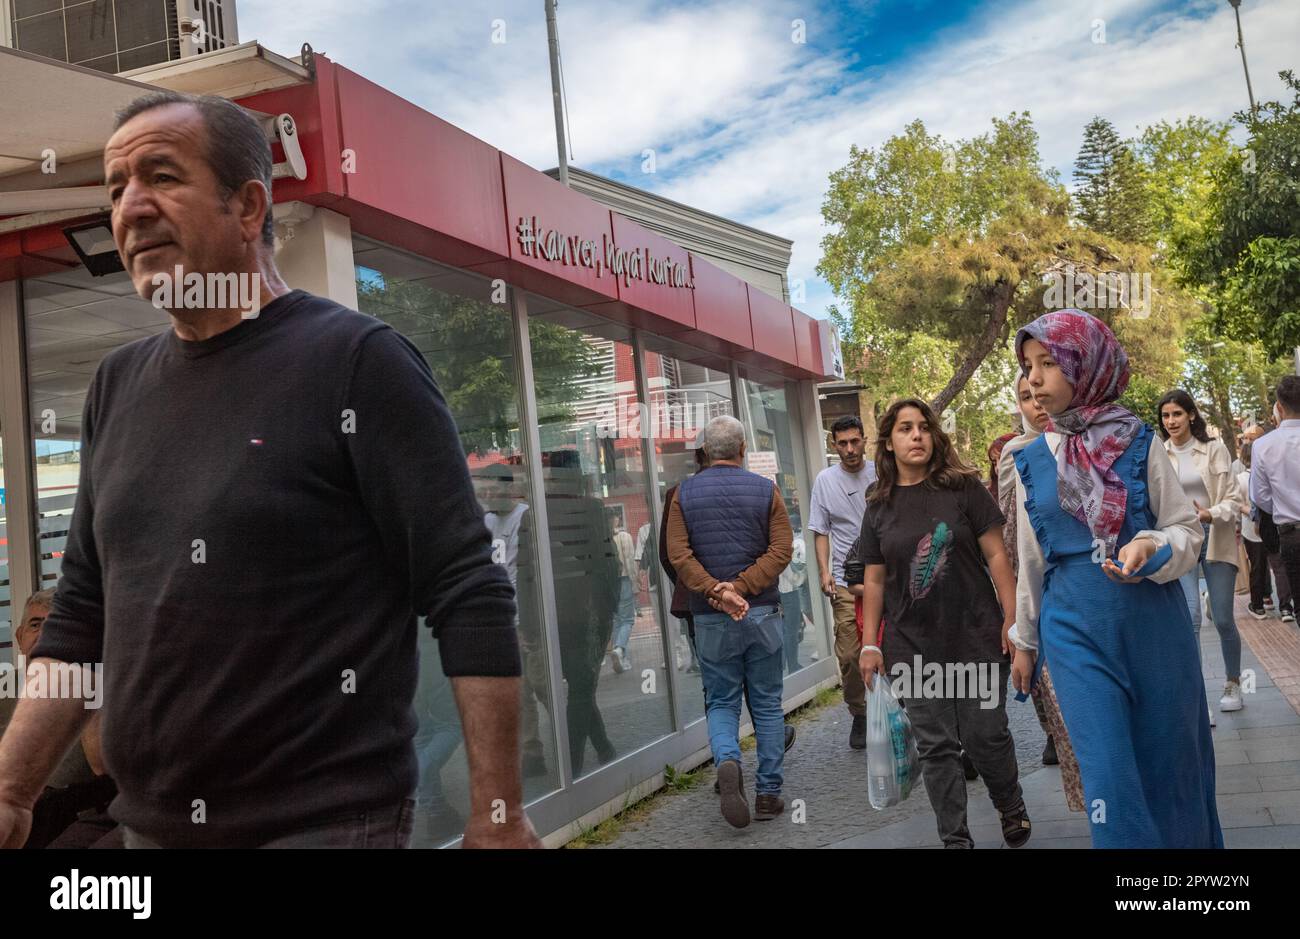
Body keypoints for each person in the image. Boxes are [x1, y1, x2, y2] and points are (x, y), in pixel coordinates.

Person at [0, 90, 537, 849]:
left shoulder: (358, 363)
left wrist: (499, 813)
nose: (131, 207)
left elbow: (468, 587)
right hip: (145, 828)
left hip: (316, 828)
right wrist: (13, 788)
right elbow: (82, 613)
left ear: (249, 207)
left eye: (161, 176)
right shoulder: (116, 385)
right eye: (117, 189)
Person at [1010, 309, 1221, 848]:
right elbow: (1032, 563)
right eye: (1028, 367)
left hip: (1154, 626)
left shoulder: (1140, 441)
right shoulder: (1029, 460)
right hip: (1074, 631)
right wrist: (1025, 643)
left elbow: (1185, 531)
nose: (1034, 379)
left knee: (1172, 767)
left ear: (1087, 366)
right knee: (1108, 778)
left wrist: (1152, 545)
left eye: (1048, 363)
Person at [857, 399, 1028, 849]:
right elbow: (873, 579)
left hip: (975, 634)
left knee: (985, 736)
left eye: (923, 428)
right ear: (889, 443)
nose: (916, 436)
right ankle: (955, 838)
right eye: (905, 429)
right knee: (937, 748)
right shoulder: (878, 505)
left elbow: (996, 554)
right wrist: (869, 644)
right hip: (910, 645)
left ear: (934, 437)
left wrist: (1012, 617)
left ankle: (1009, 804)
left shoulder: (964, 488)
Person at [667, 416, 793, 828]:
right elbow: (781, 550)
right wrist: (742, 586)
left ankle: (727, 760)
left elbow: (678, 556)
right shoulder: (766, 490)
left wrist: (717, 593)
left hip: (711, 618)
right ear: (741, 450)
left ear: (705, 451)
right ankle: (769, 794)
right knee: (768, 703)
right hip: (762, 613)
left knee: (721, 701)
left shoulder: (682, 495)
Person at [997, 376, 1085, 812]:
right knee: (1052, 693)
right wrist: (1014, 615)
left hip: (1075, 584)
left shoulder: (1081, 445)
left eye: (1039, 396)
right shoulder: (1014, 454)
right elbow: (1009, 531)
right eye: (1025, 399)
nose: (1036, 406)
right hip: (1032, 588)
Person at [0, 591, 119, 849]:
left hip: (72, 810)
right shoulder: (5, 687)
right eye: (36, 624)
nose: (45, 633)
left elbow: (102, 766)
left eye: (56, 625)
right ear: (20, 637)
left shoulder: (101, 683)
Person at [1157, 389, 1248, 716]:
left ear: (1191, 415)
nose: (1171, 421)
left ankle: (1234, 683)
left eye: (1177, 414)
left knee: (1223, 618)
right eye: (1166, 416)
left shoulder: (1213, 449)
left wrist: (1210, 513)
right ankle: (1198, 701)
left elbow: (1235, 500)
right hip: (1180, 540)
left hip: (1216, 535)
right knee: (1190, 619)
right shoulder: (1159, 454)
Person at [808, 415, 878, 749]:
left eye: (855, 441)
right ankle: (859, 713)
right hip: (846, 582)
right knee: (850, 653)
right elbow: (821, 530)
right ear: (833, 445)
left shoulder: (882, 472)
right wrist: (825, 572)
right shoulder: (825, 480)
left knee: (892, 646)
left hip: (884, 578)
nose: (850, 449)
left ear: (865, 439)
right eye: (843, 443)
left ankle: (901, 705)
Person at [1251, 378, 1300, 634]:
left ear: (1279, 407)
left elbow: (1260, 496)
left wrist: (1283, 504)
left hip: (1291, 534)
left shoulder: (1263, 445)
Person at [609, 513, 638, 674]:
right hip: (624, 579)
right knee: (628, 619)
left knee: (616, 620)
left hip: (609, 584)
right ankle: (619, 649)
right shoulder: (624, 536)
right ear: (616, 520)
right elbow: (629, 560)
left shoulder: (602, 538)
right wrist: (635, 583)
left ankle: (621, 656)